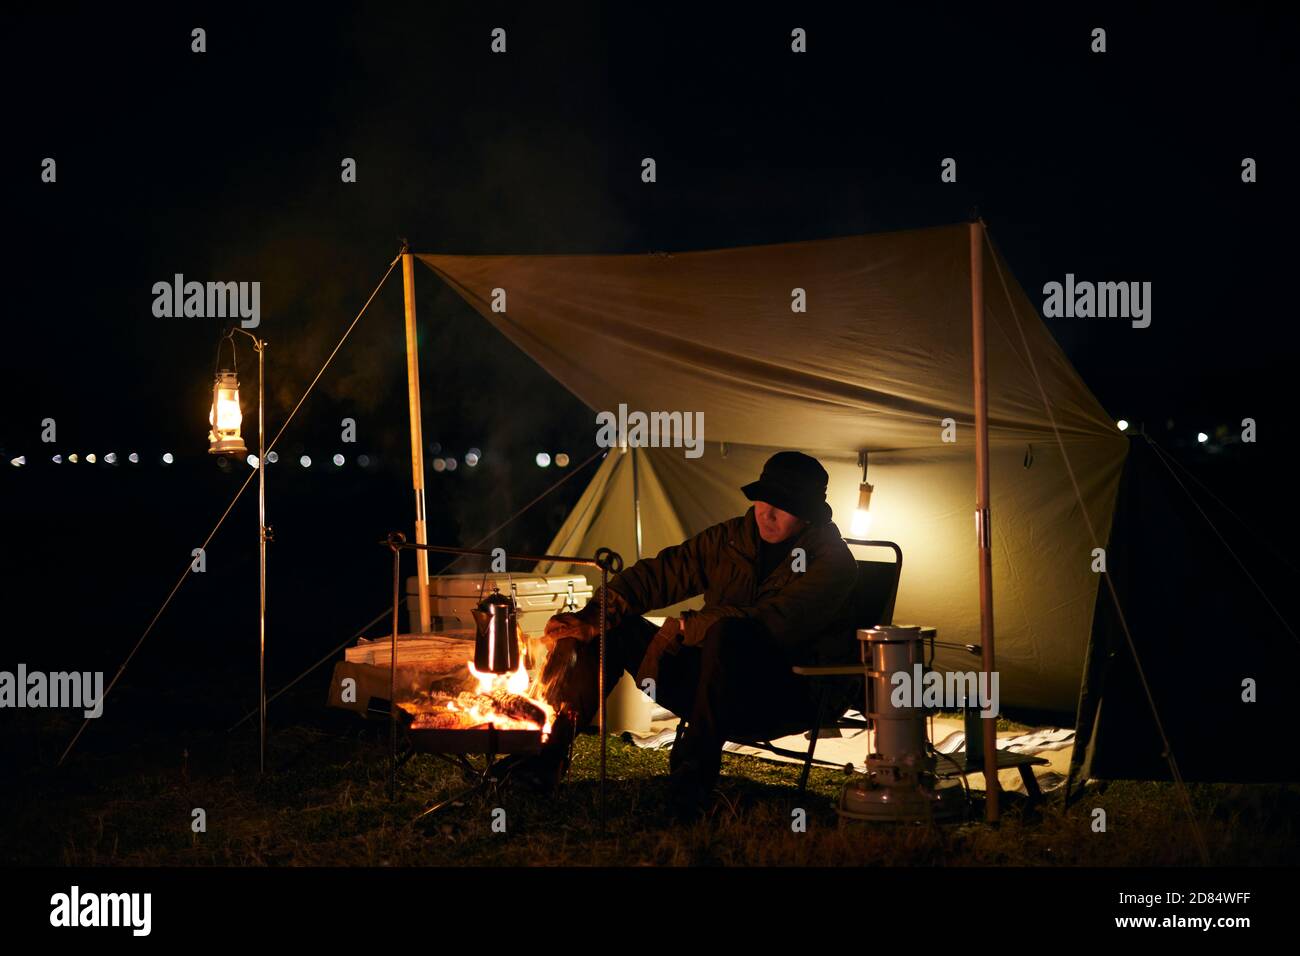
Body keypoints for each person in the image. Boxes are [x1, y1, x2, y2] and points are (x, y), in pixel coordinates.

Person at [511, 450, 858, 821]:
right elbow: (662, 574)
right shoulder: (732, 539)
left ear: (808, 513)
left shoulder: (833, 563)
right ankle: (547, 757)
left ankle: (691, 783)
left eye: (782, 506)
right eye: (762, 498)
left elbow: (774, 623)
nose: (766, 512)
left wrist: (683, 628)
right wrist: (595, 616)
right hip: (707, 684)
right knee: (615, 624)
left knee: (729, 634)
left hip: (779, 693)